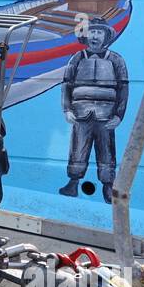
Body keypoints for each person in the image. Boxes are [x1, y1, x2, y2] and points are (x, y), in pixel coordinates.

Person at [59, 17, 129, 203]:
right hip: (81, 113)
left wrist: (119, 115)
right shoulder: (77, 58)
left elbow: (123, 89)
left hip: (106, 115)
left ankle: (108, 187)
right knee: (78, 149)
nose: (95, 36)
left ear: (106, 36)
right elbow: (67, 85)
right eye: (92, 32)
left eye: (99, 32)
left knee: (106, 151)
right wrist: (67, 109)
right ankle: (73, 183)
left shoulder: (116, 60)